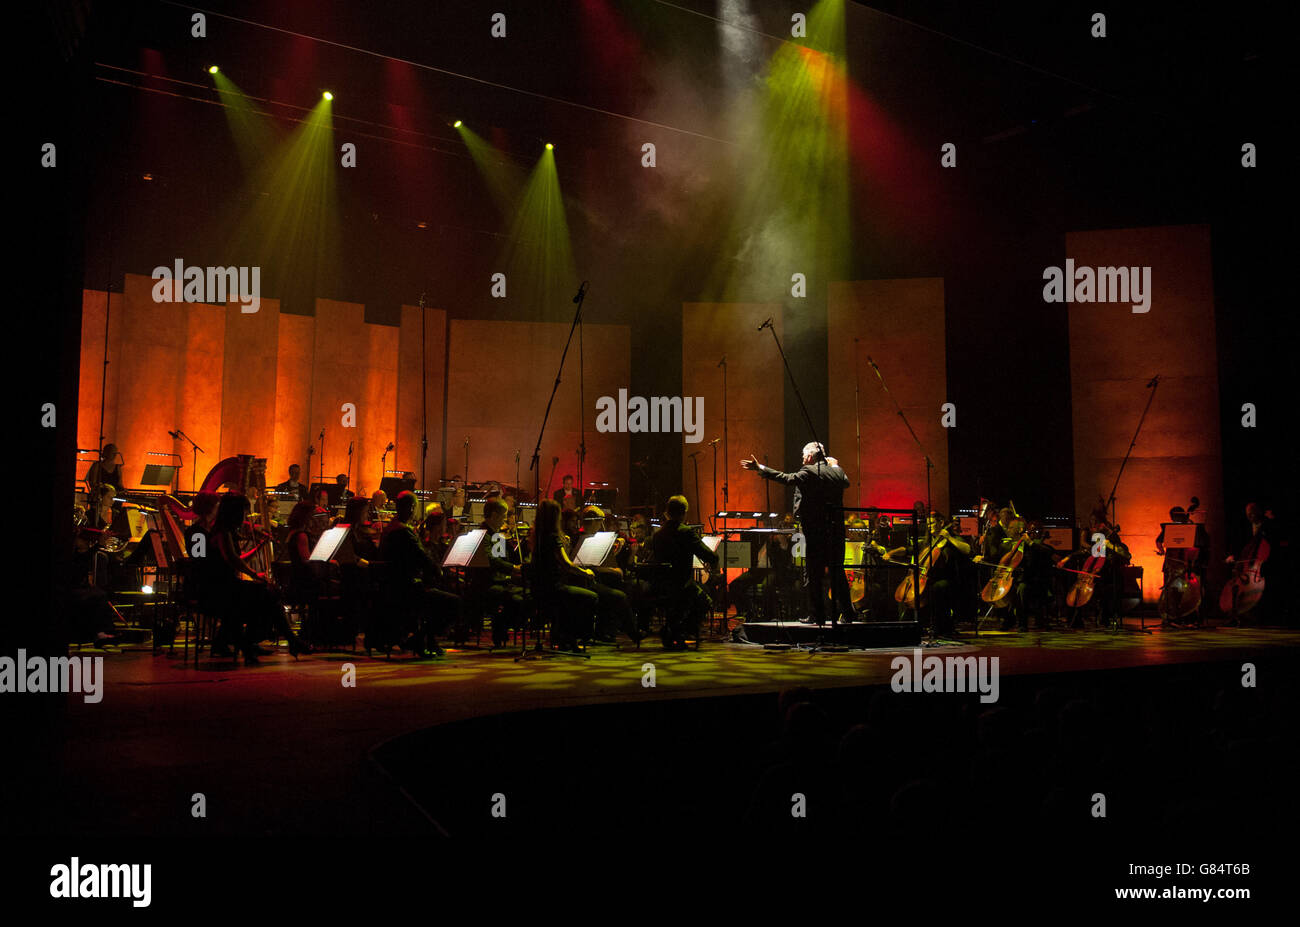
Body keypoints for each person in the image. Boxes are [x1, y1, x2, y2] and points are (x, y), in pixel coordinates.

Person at [741, 442, 853, 635]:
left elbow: (786, 478)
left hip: (816, 530)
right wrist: (834, 465)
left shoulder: (809, 471)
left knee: (813, 572)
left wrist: (760, 468)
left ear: (810, 456)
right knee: (837, 572)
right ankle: (848, 613)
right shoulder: (837, 471)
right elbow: (845, 481)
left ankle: (817, 615)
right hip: (836, 531)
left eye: (803, 455)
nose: (802, 458)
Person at [379, 491, 460, 656]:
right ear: (412, 508)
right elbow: (422, 558)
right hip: (407, 587)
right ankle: (421, 638)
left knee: (438, 596)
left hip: (392, 586)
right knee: (454, 603)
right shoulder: (404, 532)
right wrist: (438, 571)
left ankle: (427, 640)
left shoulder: (390, 529)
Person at [649, 495, 718, 649]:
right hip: (681, 584)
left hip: (660, 584)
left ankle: (674, 629)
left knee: (687, 599)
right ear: (684, 513)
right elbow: (709, 556)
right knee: (706, 601)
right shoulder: (686, 532)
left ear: (667, 511)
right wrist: (714, 563)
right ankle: (678, 630)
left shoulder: (658, 535)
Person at [529, 499, 598, 650]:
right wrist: (586, 572)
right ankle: (575, 637)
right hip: (553, 588)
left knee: (573, 595)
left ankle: (562, 635)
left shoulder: (537, 536)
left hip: (539, 588)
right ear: (555, 517)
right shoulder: (553, 537)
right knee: (590, 596)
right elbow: (567, 564)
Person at [468, 498, 525, 648]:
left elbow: (503, 559)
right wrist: (513, 569)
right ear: (494, 515)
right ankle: (500, 628)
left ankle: (502, 627)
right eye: (503, 515)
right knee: (515, 599)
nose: (505, 520)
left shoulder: (497, 535)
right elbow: (492, 561)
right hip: (485, 584)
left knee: (526, 595)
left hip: (500, 581)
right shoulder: (482, 535)